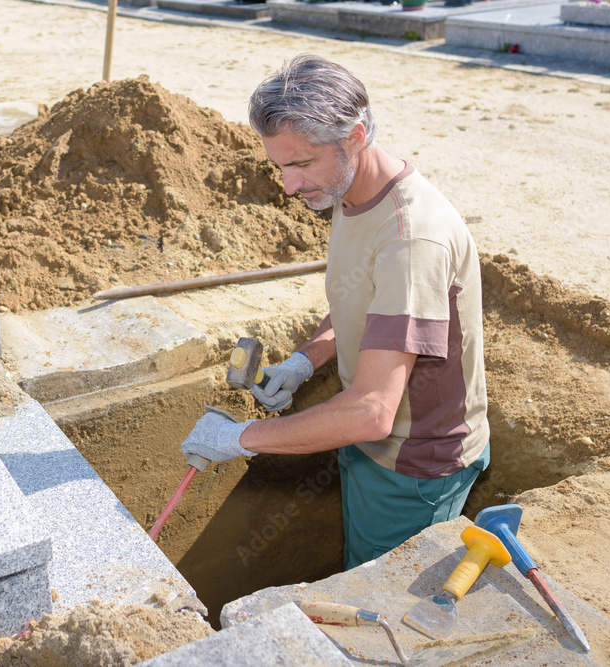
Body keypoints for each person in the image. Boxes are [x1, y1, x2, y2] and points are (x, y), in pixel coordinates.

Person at [181, 53, 490, 570]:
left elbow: (371, 411)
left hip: (412, 466)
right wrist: (306, 361)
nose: (289, 186)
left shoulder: (410, 240)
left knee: (375, 595)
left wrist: (239, 438)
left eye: (301, 164)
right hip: (371, 444)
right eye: (281, 166)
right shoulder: (351, 191)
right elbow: (369, 305)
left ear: (354, 137)